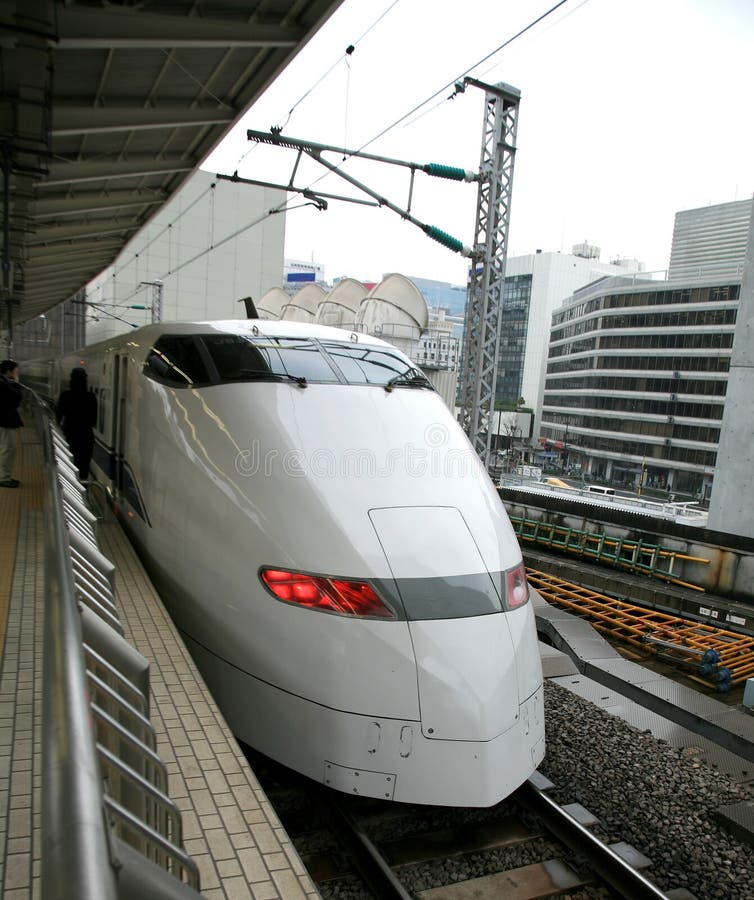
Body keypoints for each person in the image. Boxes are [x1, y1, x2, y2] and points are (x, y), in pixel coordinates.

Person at [57, 367, 97, 480]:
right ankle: (84, 489)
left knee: (70, 463)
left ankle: (72, 488)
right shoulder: (91, 397)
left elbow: (58, 415)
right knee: (84, 466)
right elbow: (93, 420)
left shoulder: (65, 396)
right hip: (86, 436)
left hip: (70, 434)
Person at [0, 359, 23, 488]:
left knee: (7, 449)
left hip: (5, 421)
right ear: (8, 371)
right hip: (5, 421)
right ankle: (3, 478)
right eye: (15, 371)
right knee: (7, 449)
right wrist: (16, 382)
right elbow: (16, 399)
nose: (16, 373)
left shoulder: (4, 383)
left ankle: (5, 476)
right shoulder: (3, 384)